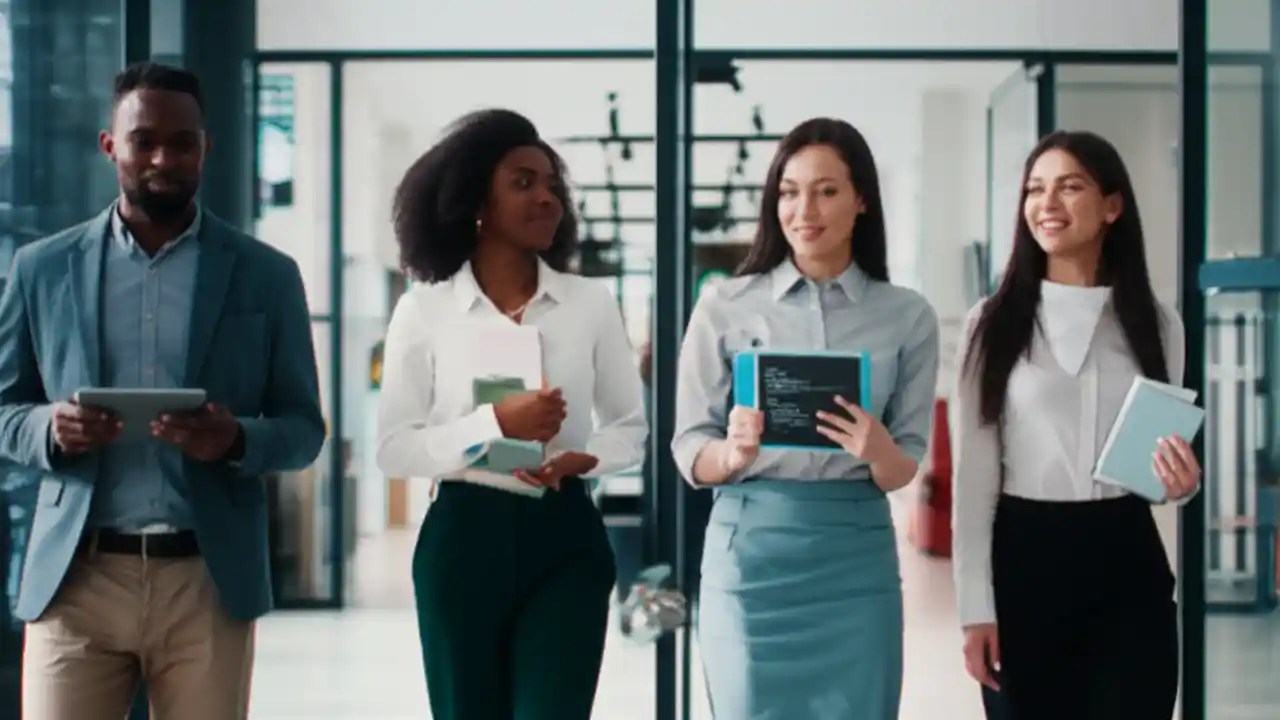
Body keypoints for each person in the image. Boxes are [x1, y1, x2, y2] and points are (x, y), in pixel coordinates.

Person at [0, 62, 325, 719]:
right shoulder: (41, 269)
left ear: (206, 147)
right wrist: (48, 429)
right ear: (109, 145)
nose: (161, 158)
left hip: (206, 580)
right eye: (143, 139)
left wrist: (235, 438)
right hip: (76, 579)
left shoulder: (267, 275)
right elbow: (4, 408)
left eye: (181, 142)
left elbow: (302, 429)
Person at [376, 108, 647, 720]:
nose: (546, 197)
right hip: (462, 540)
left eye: (552, 186)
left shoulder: (589, 303)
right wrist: (494, 424)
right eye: (523, 183)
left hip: (566, 538)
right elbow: (394, 446)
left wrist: (589, 458)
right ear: (476, 198)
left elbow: (631, 427)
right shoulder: (425, 310)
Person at [671, 117, 940, 719]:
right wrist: (733, 454)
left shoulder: (908, 317)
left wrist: (877, 449)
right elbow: (689, 445)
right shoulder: (724, 305)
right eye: (788, 191)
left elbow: (905, 466)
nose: (803, 209)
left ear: (861, 199)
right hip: (751, 556)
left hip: (857, 558)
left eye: (826, 190)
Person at [951, 130, 1201, 719]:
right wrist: (973, 608)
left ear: (1113, 206)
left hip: (1126, 560)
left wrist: (1182, 486)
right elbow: (973, 477)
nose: (1048, 203)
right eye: (1036, 189)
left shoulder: (1158, 323)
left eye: (1070, 186)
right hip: (1023, 562)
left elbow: (1156, 463)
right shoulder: (991, 324)